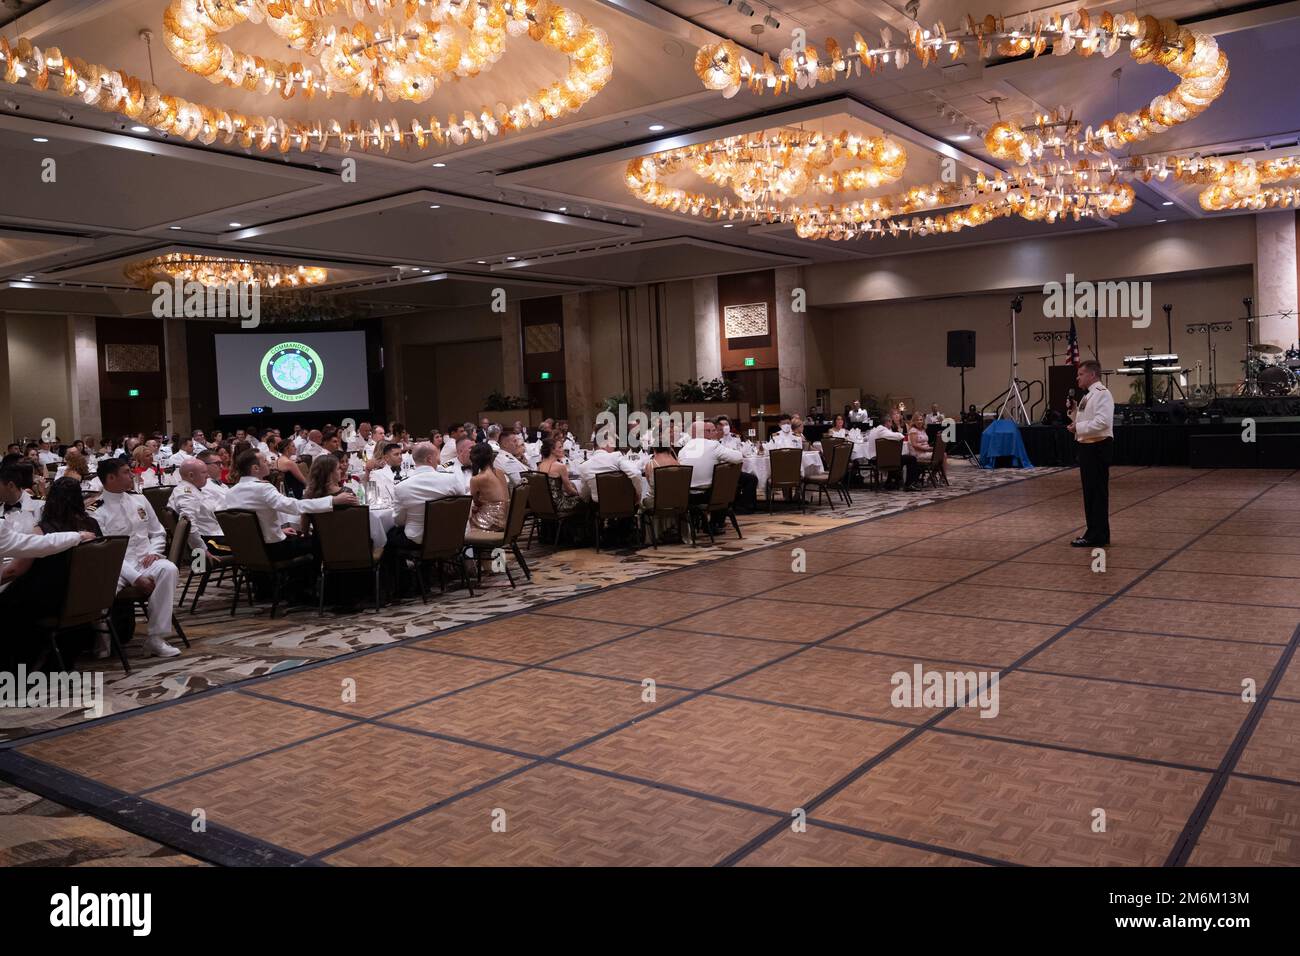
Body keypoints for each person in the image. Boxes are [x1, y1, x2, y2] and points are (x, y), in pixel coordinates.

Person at [92, 458, 181, 658]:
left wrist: (155, 552)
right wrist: (135, 577)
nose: (131, 475)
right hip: (116, 567)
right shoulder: (97, 510)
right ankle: (103, 639)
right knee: (100, 588)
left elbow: (158, 532)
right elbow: (106, 550)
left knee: (169, 569)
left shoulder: (139, 500)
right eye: (126, 472)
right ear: (111, 477)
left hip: (145, 560)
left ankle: (156, 638)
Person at [225, 449, 356, 559]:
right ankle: (313, 585)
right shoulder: (263, 488)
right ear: (255, 468)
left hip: (248, 551)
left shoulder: (231, 492)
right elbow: (295, 507)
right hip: (273, 550)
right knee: (320, 542)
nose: (270, 463)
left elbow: (248, 523)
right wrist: (333, 500)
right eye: (265, 461)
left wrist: (277, 530)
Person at [1069, 359, 1114, 547]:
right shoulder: (1089, 395)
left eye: (1081, 374)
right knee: (1090, 493)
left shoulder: (1102, 394)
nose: (1077, 378)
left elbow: (1102, 422)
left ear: (1092, 375)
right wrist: (1072, 414)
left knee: (1096, 493)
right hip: (1088, 447)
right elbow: (1087, 419)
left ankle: (1099, 535)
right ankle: (1094, 532)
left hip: (1097, 447)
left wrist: (1078, 427)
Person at [392, 442, 464, 545]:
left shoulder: (401, 487)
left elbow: (398, 521)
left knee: (389, 538)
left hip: (417, 540)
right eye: (436, 457)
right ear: (429, 459)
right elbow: (462, 505)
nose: (438, 461)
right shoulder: (452, 479)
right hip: (449, 536)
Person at [169, 458, 229, 552]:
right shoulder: (187, 495)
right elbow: (188, 525)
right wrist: (201, 549)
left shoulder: (188, 489)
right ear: (191, 475)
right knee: (251, 544)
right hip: (209, 542)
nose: (208, 475)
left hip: (212, 536)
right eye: (204, 472)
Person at [578, 434, 641, 502]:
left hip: (598, 509)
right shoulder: (616, 457)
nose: (614, 447)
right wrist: (638, 494)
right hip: (624, 506)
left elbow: (583, 495)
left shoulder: (584, 466)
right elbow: (635, 473)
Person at [468, 442, 509, 533]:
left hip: (492, 521)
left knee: (464, 518)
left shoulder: (476, 479)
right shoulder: (500, 472)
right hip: (507, 517)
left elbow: (476, 503)